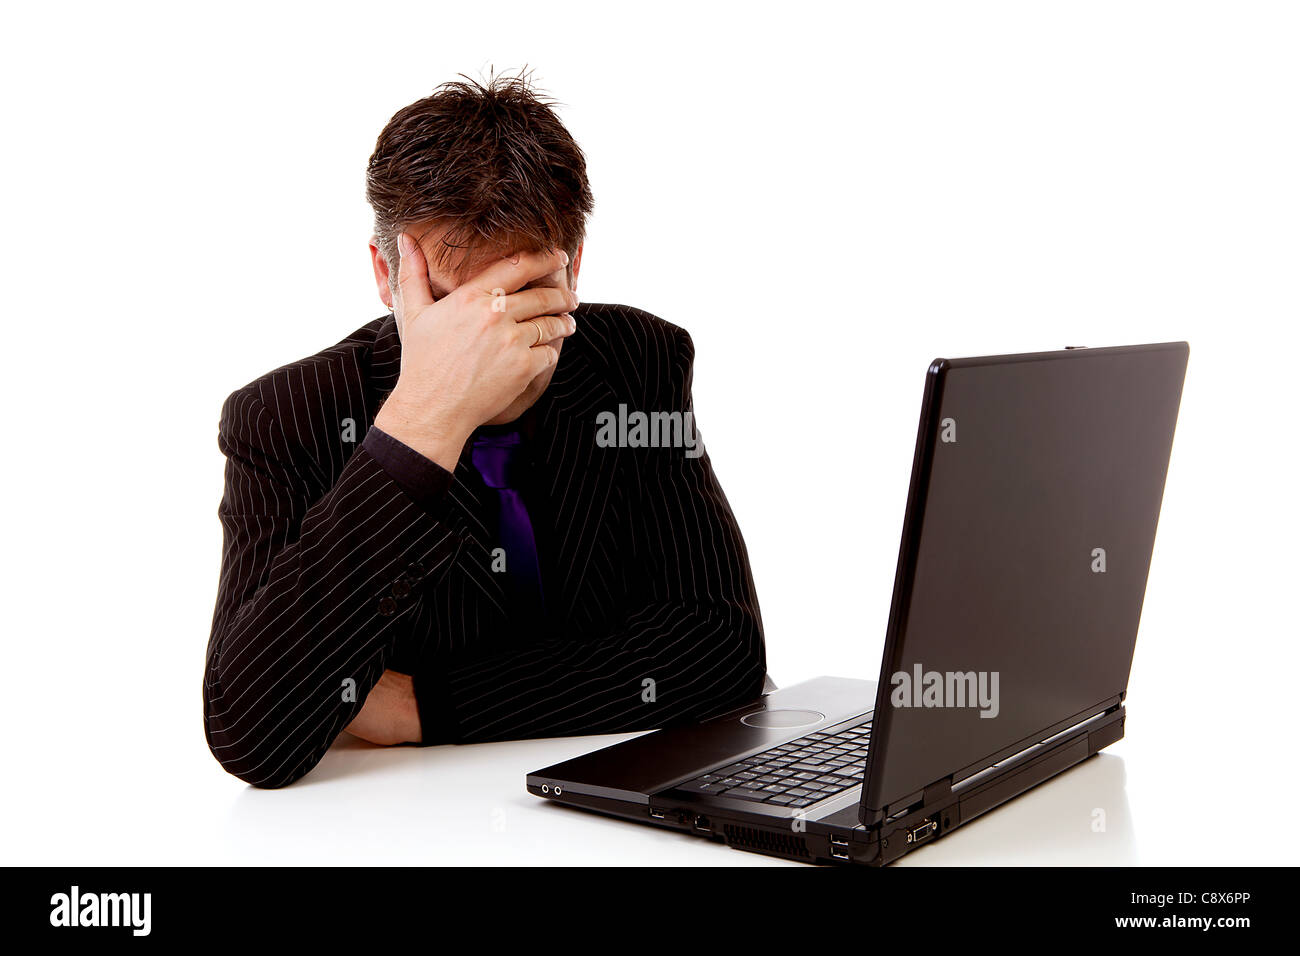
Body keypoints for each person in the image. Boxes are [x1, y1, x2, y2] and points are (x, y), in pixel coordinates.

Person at [203, 74, 767, 788]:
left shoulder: (637, 362)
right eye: (453, 305)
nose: (490, 340)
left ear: (574, 269)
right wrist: (421, 424)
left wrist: (425, 706)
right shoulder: (288, 417)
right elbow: (254, 736)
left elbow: (718, 649)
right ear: (386, 275)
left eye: (522, 298)